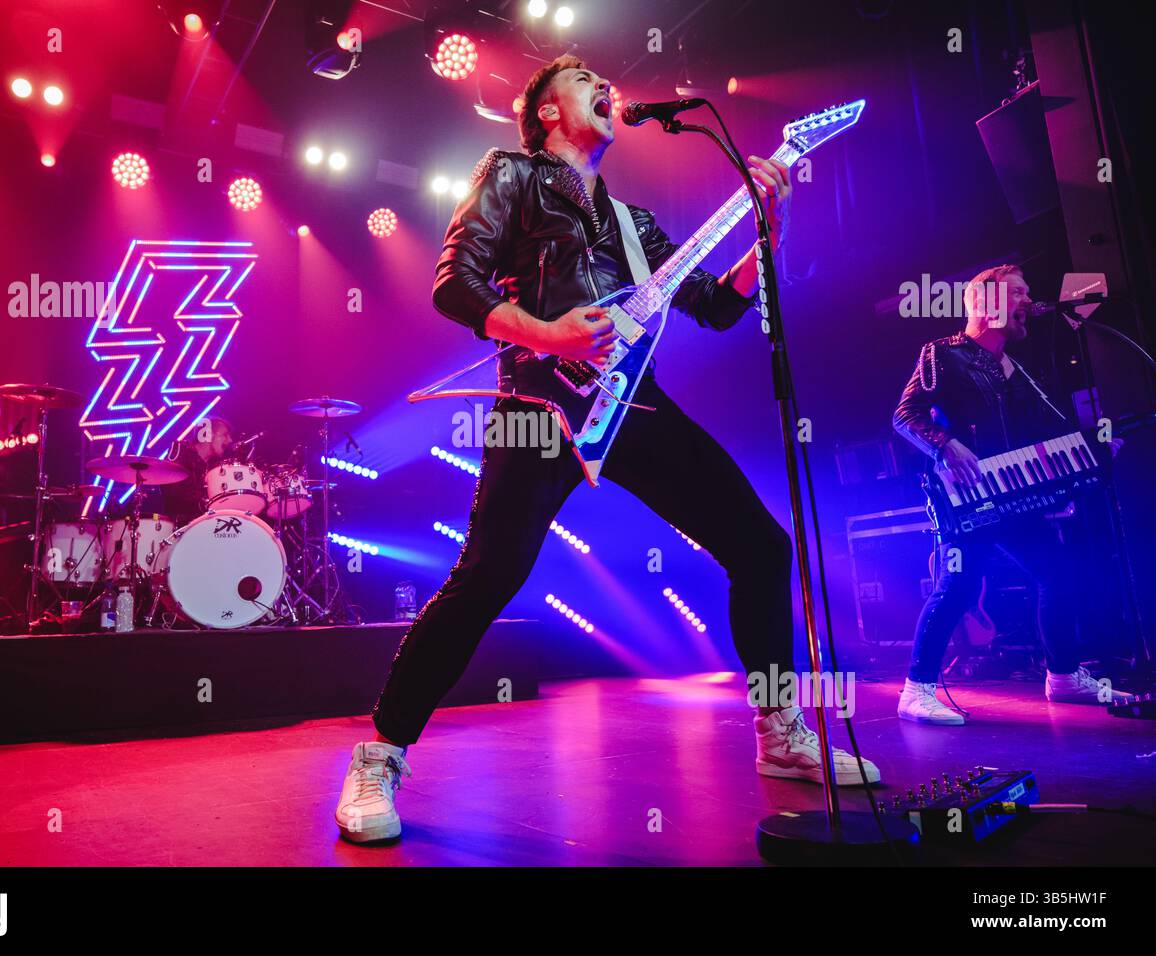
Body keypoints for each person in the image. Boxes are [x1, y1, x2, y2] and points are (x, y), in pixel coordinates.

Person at [335, 55, 879, 845]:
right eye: (582, 77)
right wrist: (548, 331)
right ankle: (380, 753)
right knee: (489, 575)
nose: (603, 84)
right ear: (548, 112)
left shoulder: (638, 223)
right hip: (540, 404)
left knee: (761, 545)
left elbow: (717, 309)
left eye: (603, 77)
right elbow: (455, 283)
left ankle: (779, 730)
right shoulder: (513, 174)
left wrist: (769, 224)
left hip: (634, 403)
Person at [892, 264, 1127, 725]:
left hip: (1011, 493)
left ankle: (1062, 676)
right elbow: (905, 415)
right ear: (984, 304)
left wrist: (1089, 454)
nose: (1028, 302)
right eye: (1018, 293)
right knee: (960, 583)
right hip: (964, 495)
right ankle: (915, 690)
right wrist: (944, 444)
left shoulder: (1017, 369)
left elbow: (1049, 431)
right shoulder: (943, 354)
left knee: (1058, 573)